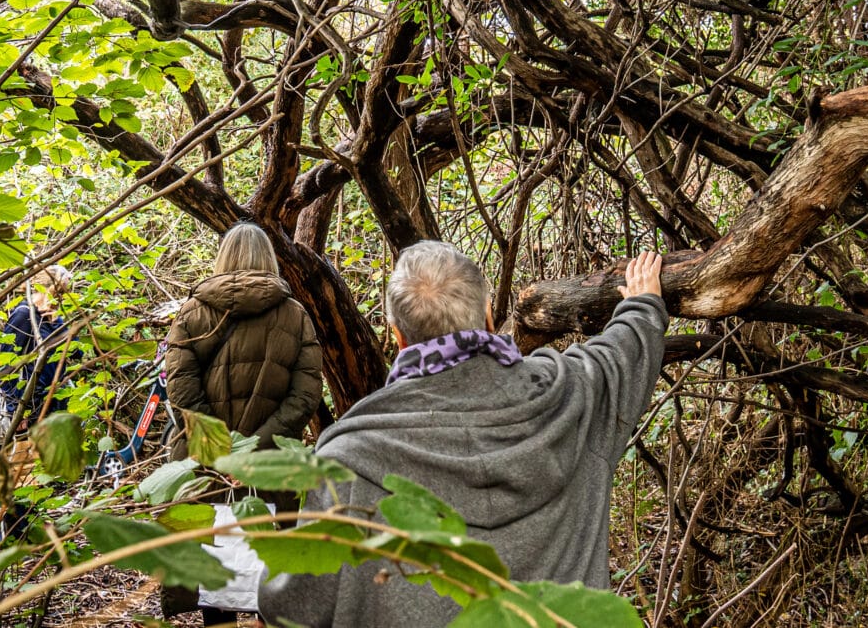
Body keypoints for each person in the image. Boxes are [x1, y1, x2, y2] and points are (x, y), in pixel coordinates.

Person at [258, 241, 667, 628]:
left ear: (398, 337)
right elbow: (620, 354)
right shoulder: (569, 398)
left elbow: (293, 605)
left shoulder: (346, 460)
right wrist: (642, 305)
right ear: (488, 317)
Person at [164, 222, 323, 628]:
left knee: (210, 574)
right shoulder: (295, 316)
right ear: (269, 258)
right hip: (270, 466)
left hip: (203, 462)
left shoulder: (193, 312)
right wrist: (253, 451)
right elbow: (305, 396)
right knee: (269, 572)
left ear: (223, 258)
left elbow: (180, 392)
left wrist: (221, 450)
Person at [0, 264, 76, 427]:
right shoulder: (24, 315)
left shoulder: (52, 319)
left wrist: (57, 323)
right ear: (46, 289)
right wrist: (16, 412)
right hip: (30, 407)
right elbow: (6, 365)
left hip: (54, 404)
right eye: (59, 293)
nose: (61, 299)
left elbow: (76, 353)